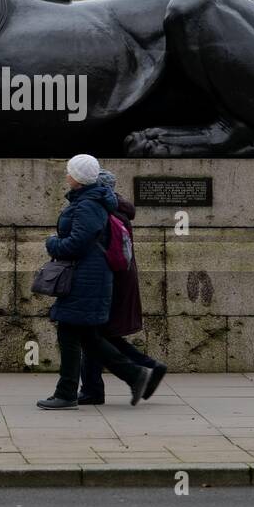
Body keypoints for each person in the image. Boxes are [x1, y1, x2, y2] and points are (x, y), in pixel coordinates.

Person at [37, 154, 153, 411]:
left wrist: (52, 243)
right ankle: (135, 376)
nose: (66, 175)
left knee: (69, 331)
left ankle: (66, 392)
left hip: (86, 278)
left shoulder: (88, 203)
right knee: (87, 336)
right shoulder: (91, 199)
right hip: (88, 276)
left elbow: (79, 242)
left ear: (77, 178)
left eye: (69, 172)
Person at [77, 169, 167, 405]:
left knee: (93, 334)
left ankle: (138, 372)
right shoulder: (117, 211)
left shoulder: (106, 214)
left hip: (110, 282)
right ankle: (95, 388)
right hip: (120, 280)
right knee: (101, 335)